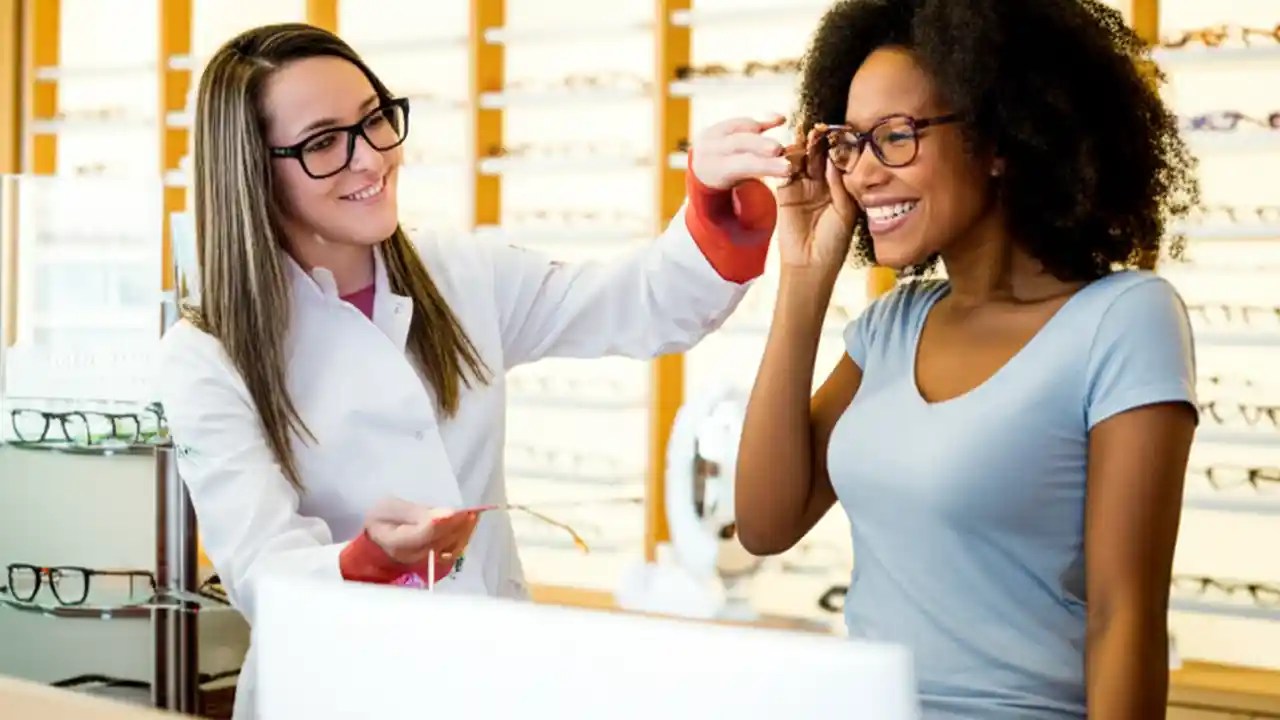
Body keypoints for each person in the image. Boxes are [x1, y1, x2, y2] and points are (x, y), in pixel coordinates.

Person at [155, 22, 791, 719]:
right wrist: (368, 560)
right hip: (334, 690)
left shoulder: (461, 276)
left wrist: (707, 208)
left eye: (374, 121)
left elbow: (639, 305)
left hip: (490, 679)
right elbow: (261, 572)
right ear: (251, 169)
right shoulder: (206, 356)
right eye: (323, 142)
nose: (369, 159)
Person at [733, 1, 1200, 718]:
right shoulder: (892, 325)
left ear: (998, 140)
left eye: (895, 136)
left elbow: (1123, 615)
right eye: (851, 143)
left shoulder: (1122, 320)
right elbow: (766, 525)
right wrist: (803, 277)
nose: (862, 173)